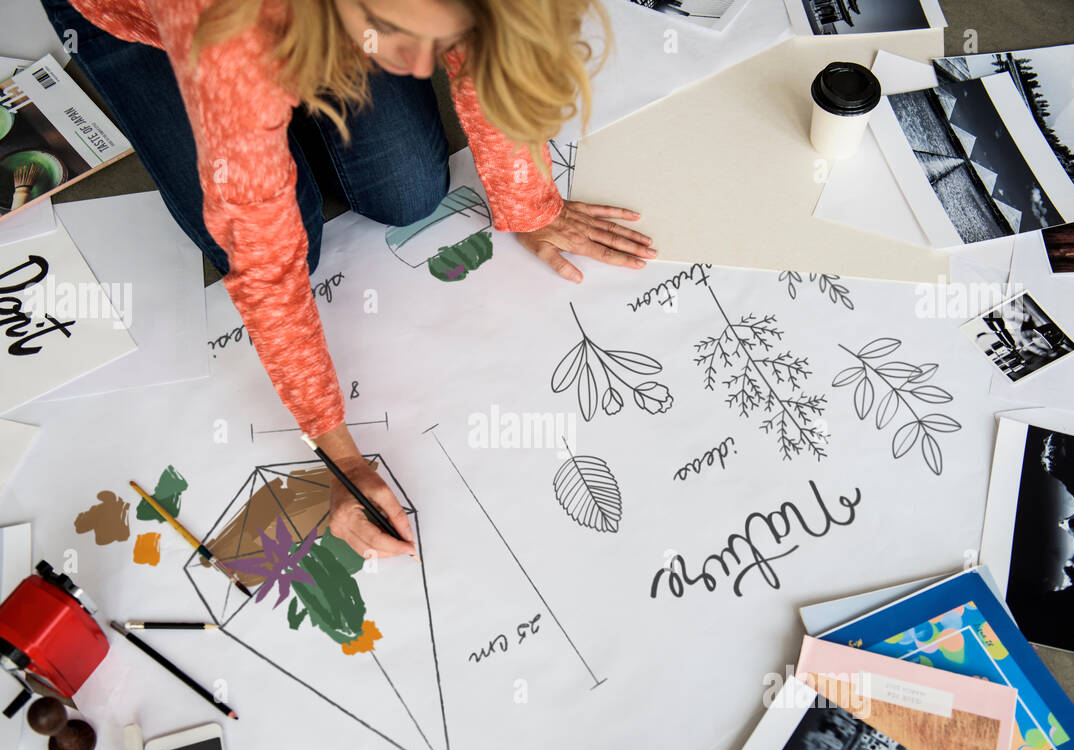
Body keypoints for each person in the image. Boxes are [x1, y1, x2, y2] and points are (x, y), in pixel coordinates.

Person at [39, 0, 654, 559]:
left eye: (437, 41)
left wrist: (529, 205)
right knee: (290, 240)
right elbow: (268, 264)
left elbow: (486, 53)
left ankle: (305, 79)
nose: (423, 67)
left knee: (410, 194)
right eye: (401, 33)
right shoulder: (224, 25)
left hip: (316, 18)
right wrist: (342, 458)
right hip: (150, 20)